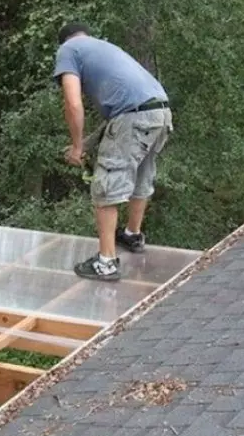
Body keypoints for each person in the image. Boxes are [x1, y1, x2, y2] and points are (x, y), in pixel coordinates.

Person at [53, 21, 173, 282]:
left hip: (134, 116)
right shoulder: (104, 47)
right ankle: (132, 235)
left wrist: (75, 147)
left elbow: (73, 104)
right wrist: (86, 144)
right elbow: (120, 117)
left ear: (64, 41)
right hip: (161, 112)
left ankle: (106, 262)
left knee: (105, 185)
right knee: (141, 174)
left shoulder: (68, 50)